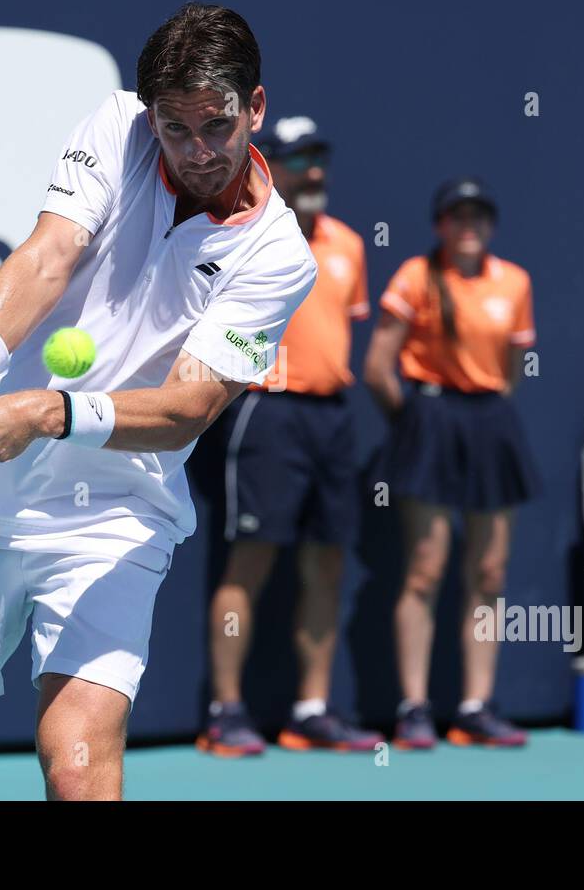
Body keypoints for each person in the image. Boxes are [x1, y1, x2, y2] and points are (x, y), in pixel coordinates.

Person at [0, 2, 317, 800]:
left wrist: (45, 413)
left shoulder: (280, 256)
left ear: (256, 108)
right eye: (175, 129)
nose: (196, 150)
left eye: (216, 125)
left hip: (116, 517)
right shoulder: (117, 124)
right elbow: (47, 255)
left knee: (76, 766)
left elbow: (188, 409)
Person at [196, 116, 381, 756]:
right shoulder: (244, 237)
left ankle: (311, 709)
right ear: (273, 166)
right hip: (265, 410)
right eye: (300, 161)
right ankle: (225, 711)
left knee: (326, 562)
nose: (315, 174)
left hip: (333, 417)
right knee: (249, 560)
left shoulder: (350, 245)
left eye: (320, 159)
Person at [363, 177, 539, 749]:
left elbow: (511, 374)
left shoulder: (514, 282)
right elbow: (378, 368)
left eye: (479, 216)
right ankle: (414, 707)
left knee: (489, 573)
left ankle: (475, 706)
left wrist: (481, 413)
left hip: (491, 424)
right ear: (440, 224)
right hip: (430, 421)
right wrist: (415, 424)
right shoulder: (415, 276)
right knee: (425, 568)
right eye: (457, 216)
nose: (469, 226)